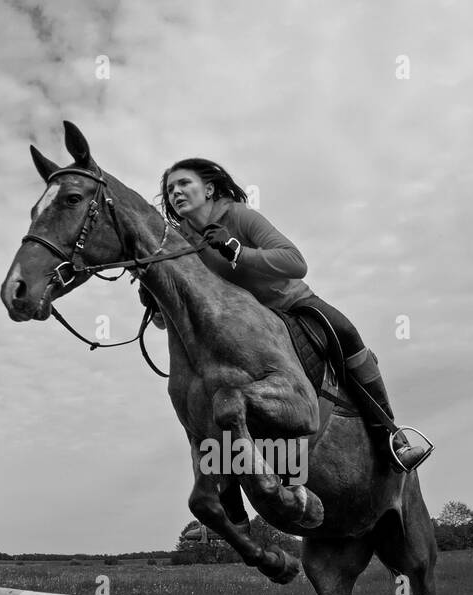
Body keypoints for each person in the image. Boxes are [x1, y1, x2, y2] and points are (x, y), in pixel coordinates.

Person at [141, 157, 433, 473]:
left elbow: (296, 262)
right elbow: (174, 315)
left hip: (291, 305)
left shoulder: (239, 216)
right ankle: (223, 480)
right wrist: (155, 300)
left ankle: (391, 439)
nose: (176, 192)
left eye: (184, 183)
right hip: (239, 330)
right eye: (170, 189)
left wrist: (238, 251)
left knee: (347, 333)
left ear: (209, 188)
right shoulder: (181, 243)